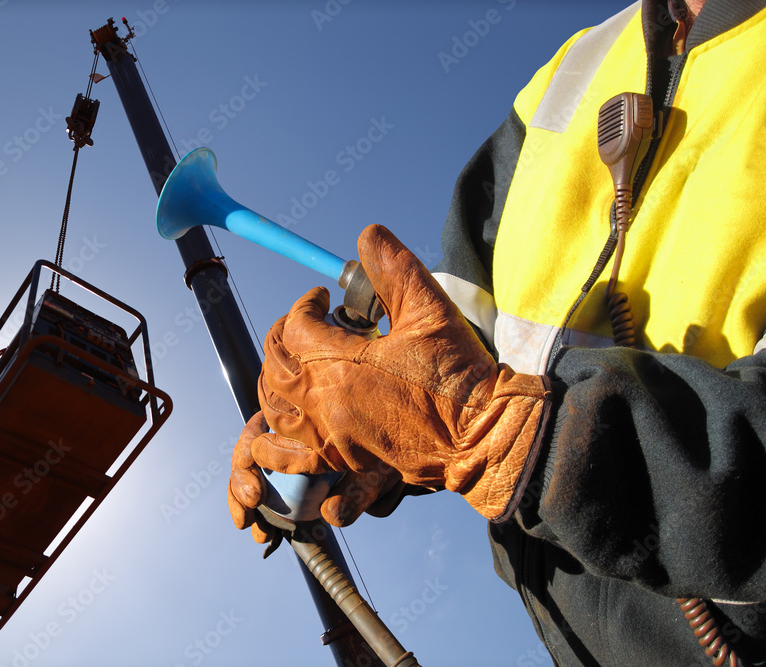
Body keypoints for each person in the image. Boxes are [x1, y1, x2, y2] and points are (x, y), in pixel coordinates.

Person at [227, 0, 766, 664]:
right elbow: (465, 343)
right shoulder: (577, 64)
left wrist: (523, 439)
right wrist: (356, 435)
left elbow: (486, 413)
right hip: (574, 631)